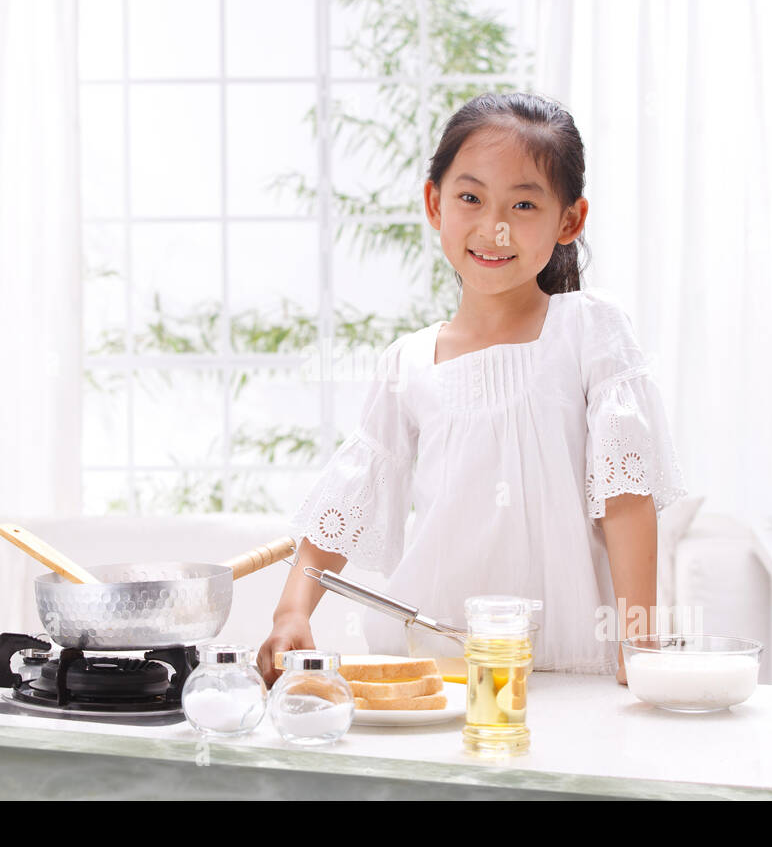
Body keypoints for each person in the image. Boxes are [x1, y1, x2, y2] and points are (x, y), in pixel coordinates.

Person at [257, 91, 686, 686]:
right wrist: (291, 610)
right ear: (435, 204)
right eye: (470, 198)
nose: (494, 227)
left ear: (570, 220)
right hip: (431, 665)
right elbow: (347, 502)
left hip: (567, 665)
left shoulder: (590, 329)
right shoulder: (407, 362)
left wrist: (639, 644)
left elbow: (626, 498)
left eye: (524, 204)